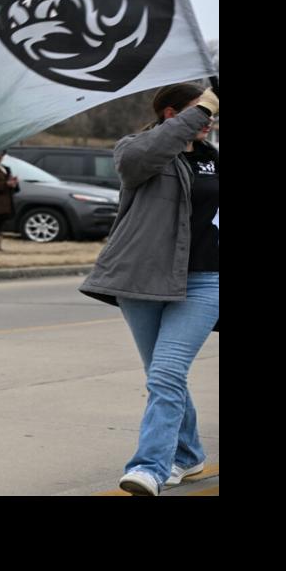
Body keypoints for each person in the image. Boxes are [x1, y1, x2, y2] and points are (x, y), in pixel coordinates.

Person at [79, 82, 219, 496]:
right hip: (142, 278)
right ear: (172, 115)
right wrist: (206, 103)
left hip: (205, 279)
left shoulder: (214, 161)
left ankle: (150, 467)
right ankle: (189, 455)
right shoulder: (137, 152)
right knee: (161, 376)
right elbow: (145, 155)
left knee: (167, 372)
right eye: (202, 113)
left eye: (212, 114)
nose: (209, 122)